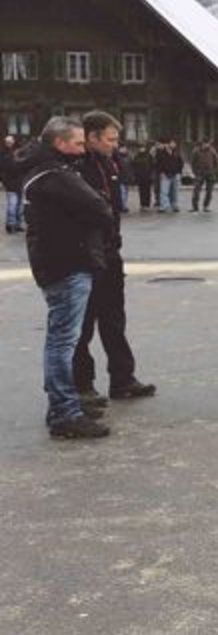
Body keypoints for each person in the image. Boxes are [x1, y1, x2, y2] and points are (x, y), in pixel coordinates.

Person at [19, 117, 116, 438]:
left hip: (55, 263)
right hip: (68, 263)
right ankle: (64, 412)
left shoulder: (44, 171)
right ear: (59, 143)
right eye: (76, 142)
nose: (81, 148)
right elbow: (98, 207)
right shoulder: (56, 175)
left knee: (62, 338)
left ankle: (64, 404)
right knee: (63, 340)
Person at [72, 111, 156, 408]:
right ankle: (83, 386)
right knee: (82, 326)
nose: (115, 144)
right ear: (92, 137)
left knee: (114, 319)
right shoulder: (77, 166)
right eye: (110, 139)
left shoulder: (108, 163)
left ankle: (122, 378)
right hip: (86, 257)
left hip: (110, 253)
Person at [2, 134, 25, 233]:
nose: (10, 143)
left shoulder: (17, 153)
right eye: (8, 142)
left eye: (11, 141)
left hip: (19, 182)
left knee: (19, 206)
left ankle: (17, 224)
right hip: (10, 183)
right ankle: (11, 225)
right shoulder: (3, 154)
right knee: (13, 205)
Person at [189, 138, 218, 212]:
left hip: (210, 173)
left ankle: (206, 206)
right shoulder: (196, 151)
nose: (207, 145)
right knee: (196, 190)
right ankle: (195, 207)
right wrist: (195, 172)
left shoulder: (212, 151)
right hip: (200, 173)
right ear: (202, 143)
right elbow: (192, 162)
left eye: (208, 144)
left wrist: (215, 171)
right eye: (205, 144)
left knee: (209, 191)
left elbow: (217, 161)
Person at [155, 139, 183, 212]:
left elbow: (181, 163)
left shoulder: (176, 154)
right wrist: (161, 172)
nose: (173, 145)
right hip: (165, 174)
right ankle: (164, 206)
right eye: (171, 143)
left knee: (174, 192)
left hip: (174, 174)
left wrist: (179, 172)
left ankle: (174, 205)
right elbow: (158, 163)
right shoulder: (161, 153)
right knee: (164, 191)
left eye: (174, 143)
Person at [132, 143, 155, 211]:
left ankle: (147, 204)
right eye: (140, 148)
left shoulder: (149, 156)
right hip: (140, 177)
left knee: (147, 191)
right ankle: (142, 204)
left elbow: (152, 166)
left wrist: (151, 175)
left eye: (143, 148)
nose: (141, 149)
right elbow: (134, 166)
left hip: (147, 176)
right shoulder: (137, 156)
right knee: (141, 191)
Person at [115, 146, 132, 212]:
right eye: (122, 148)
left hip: (127, 177)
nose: (124, 149)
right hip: (121, 177)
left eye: (125, 148)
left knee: (126, 192)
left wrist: (131, 177)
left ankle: (124, 205)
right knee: (122, 192)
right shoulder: (117, 157)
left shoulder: (128, 157)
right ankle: (122, 206)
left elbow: (130, 168)